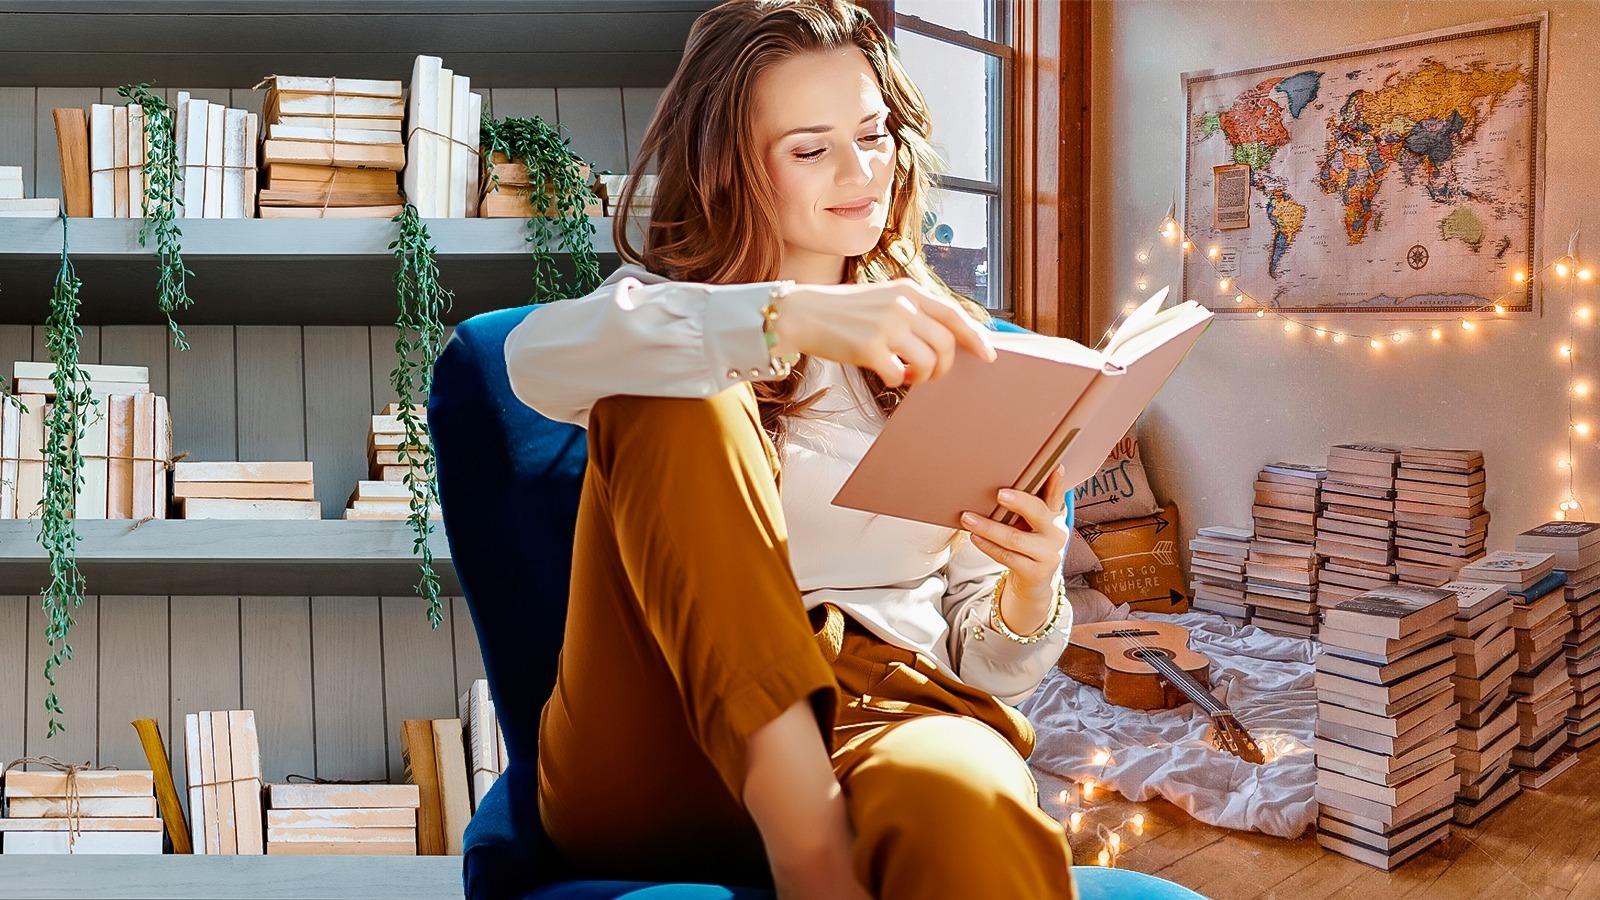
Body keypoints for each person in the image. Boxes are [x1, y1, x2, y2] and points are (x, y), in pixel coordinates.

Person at [504, 2, 1078, 897]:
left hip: (885, 703)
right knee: (675, 389)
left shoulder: (952, 350)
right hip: (659, 734)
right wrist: (785, 314)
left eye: (875, 133)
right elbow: (529, 359)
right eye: (811, 149)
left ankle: (835, 818)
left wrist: (1029, 586)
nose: (862, 172)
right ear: (732, 170)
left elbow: (980, 658)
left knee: (972, 808)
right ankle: (805, 837)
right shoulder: (667, 317)